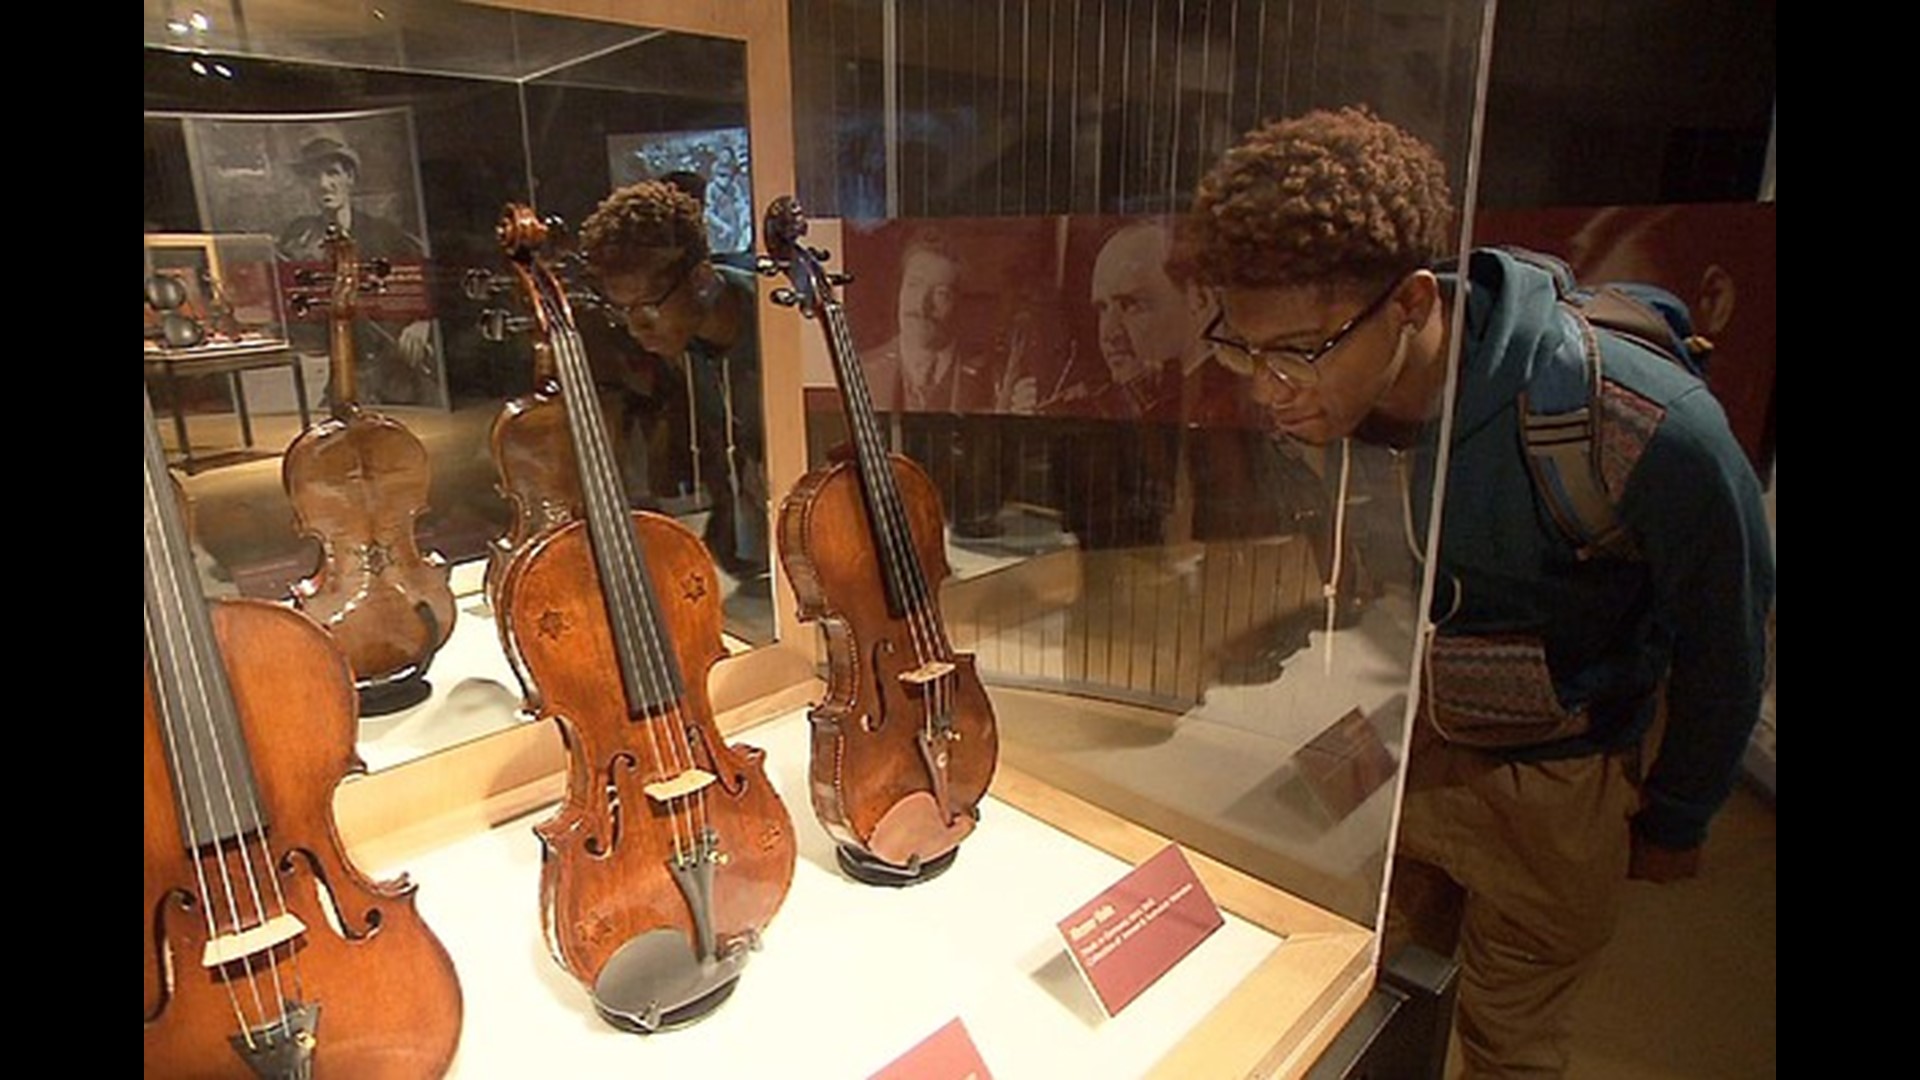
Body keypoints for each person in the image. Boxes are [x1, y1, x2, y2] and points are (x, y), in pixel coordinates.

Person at [1173, 105, 1774, 1077]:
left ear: (1411, 303)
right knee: (1360, 1002)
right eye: (1246, 349)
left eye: (1298, 350)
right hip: (1398, 743)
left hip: (1554, 779)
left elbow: (1726, 639)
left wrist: (1676, 816)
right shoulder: (1328, 403)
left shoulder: (1634, 421)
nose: (1267, 388)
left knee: (1508, 1045)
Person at [577, 178, 768, 580]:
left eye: (647, 308)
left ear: (701, 280)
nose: (635, 328)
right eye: (623, 311)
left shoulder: (778, 329)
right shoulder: (677, 344)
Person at [277, 132, 439, 407]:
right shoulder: (297, 237)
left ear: (349, 178)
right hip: (340, 368)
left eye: (332, 173)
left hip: (392, 369)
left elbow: (428, 285)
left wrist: (423, 322)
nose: (323, 185)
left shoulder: (384, 233)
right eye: (314, 176)